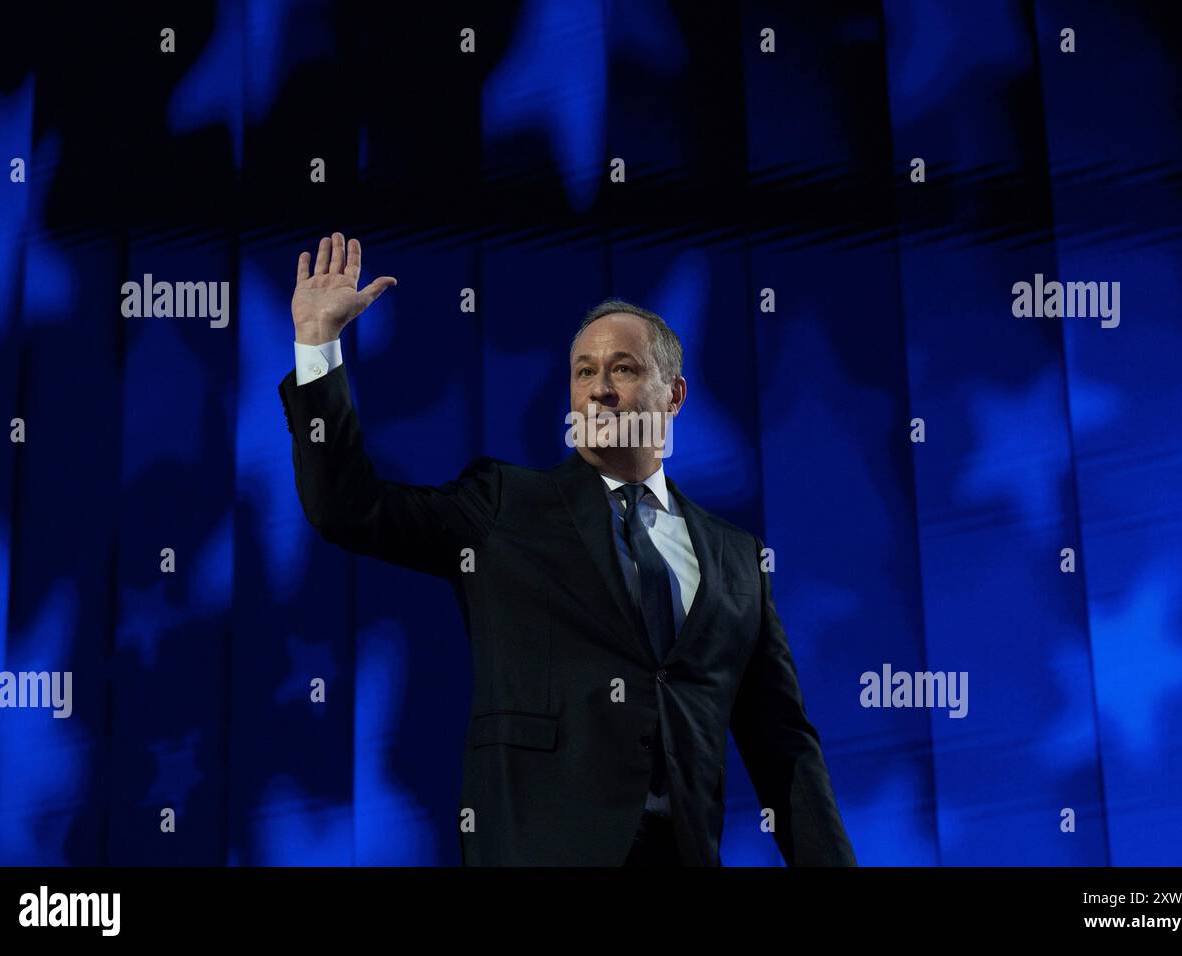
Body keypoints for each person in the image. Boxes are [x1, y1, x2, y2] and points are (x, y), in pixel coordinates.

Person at [277, 232, 858, 867]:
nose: (599, 390)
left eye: (624, 369)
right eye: (584, 372)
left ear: (676, 395)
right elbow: (351, 510)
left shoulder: (738, 559)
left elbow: (785, 749)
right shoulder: (504, 506)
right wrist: (317, 346)